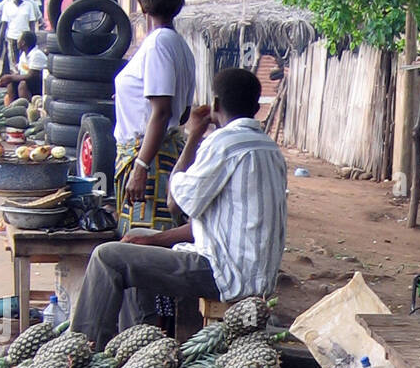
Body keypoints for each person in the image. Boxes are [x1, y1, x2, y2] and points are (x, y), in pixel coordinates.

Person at [72, 67, 286, 351]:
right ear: (257, 109)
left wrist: (194, 135)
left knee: (107, 258)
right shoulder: (270, 149)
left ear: (216, 105)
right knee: (137, 238)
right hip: (252, 270)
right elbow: (211, 225)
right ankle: (137, 345)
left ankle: (80, 352)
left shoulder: (224, 144)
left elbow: (176, 201)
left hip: (223, 273)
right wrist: (152, 240)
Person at [112, 0, 196, 235]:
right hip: (163, 155)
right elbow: (182, 115)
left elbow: (162, 112)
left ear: (142, 3)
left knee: (142, 248)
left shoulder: (158, 44)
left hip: (152, 162)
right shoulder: (180, 46)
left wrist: (141, 166)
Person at [0, 0, 38, 76]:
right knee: (14, 62)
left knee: (25, 60)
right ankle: (15, 80)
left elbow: (32, 23)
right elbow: (4, 24)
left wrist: (33, 37)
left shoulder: (28, 5)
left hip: (25, 38)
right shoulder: (7, 5)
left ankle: (22, 79)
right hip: (12, 37)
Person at [0, 30, 47, 103]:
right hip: (29, 82)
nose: (17, 41)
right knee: (11, 83)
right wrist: (10, 77)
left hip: (39, 85)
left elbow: (31, 75)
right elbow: (20, 72)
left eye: (19, 39)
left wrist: (10, 77)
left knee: (22, 84)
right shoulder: (23, 55)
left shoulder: (36, 55)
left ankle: (26, 108)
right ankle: (12, 108)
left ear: (23, 43)